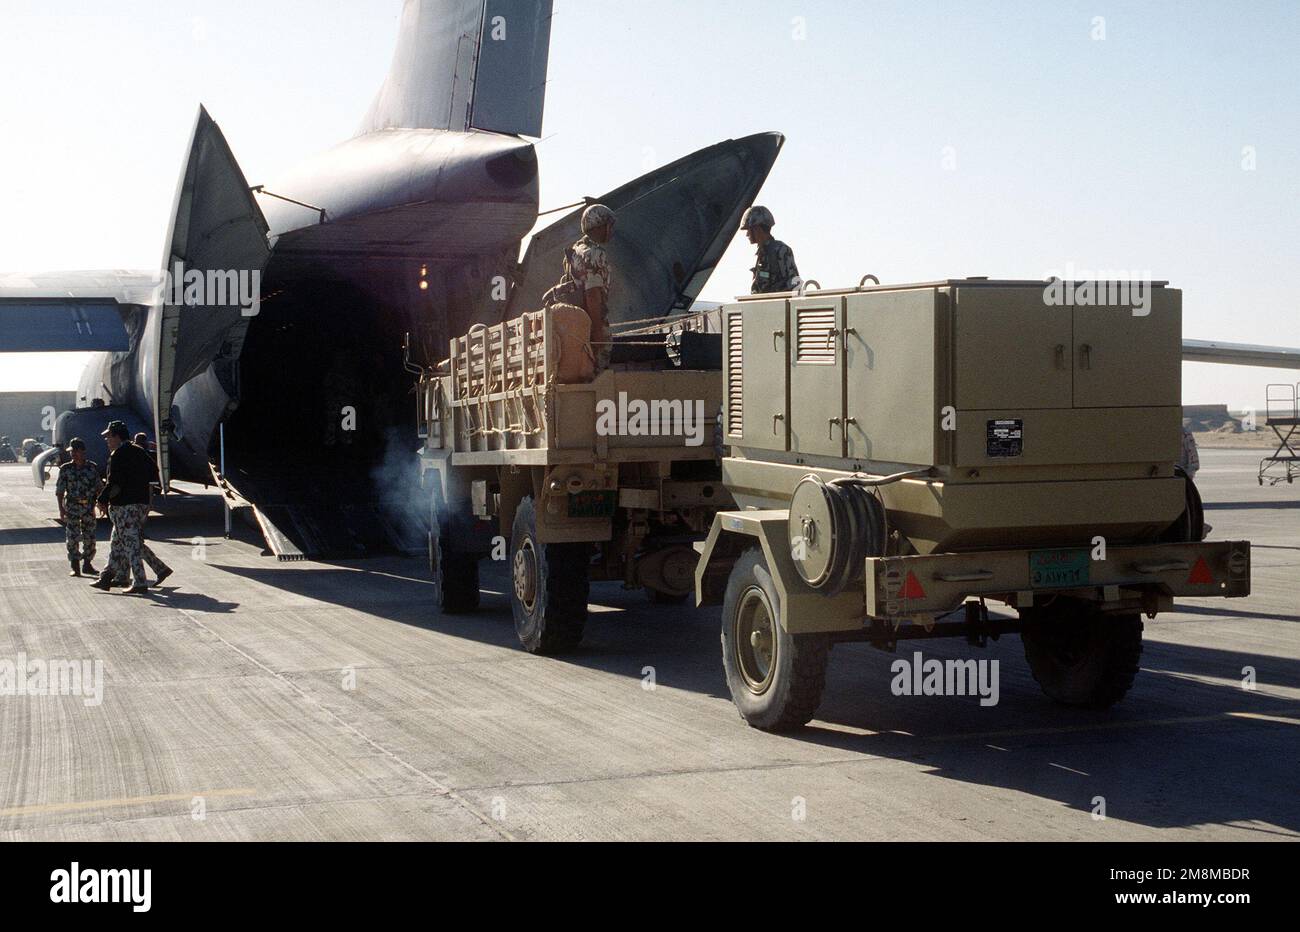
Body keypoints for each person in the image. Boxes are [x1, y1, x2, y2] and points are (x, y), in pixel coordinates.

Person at [90, 420, 158, 594]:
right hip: (141, 503)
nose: (107, 440)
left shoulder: (118, 454)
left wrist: (102, 499)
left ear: (117, 436)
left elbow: (114, 482)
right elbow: (154, 471)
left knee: (130, 543)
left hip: (125, 506)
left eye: (109, 437)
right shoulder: (139, 451)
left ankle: (140, 582)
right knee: (117, 541)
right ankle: (109, 577)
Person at [545, 203, 616, 371]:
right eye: (609, 226)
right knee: (599, 372)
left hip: (576, 324)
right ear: (599, 226)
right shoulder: (594, 254)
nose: (611, 231)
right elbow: (592, 294)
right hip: (592, 323)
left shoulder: (576, 251)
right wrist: (597, 331)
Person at [112, 431, 173, 587]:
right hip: (140, 505)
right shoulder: (145, 457)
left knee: (130, 541)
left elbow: (148, 485)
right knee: (132, 541)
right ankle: (157, 569)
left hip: (133, 507)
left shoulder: (136, 457)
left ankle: (131, 576)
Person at [54, 438, 103, 577]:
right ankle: (75, 565)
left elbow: (99, 488)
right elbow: (60, 490)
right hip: (72, 507)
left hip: (88, 506)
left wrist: (101, 503)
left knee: (90, 536)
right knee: (72, 537)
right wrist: (61, 509)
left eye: (75, 451)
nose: (73, 454)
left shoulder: (92, 468)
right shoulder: (66, 469)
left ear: (83, 451)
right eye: (71, 452)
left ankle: (87, 563)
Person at [741, 206, 801, 294]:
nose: (747, 234)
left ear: (757, 229)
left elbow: (795, 283)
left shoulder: (781, 250)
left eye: (749, 230)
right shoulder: (762, 253)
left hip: (776, 305)